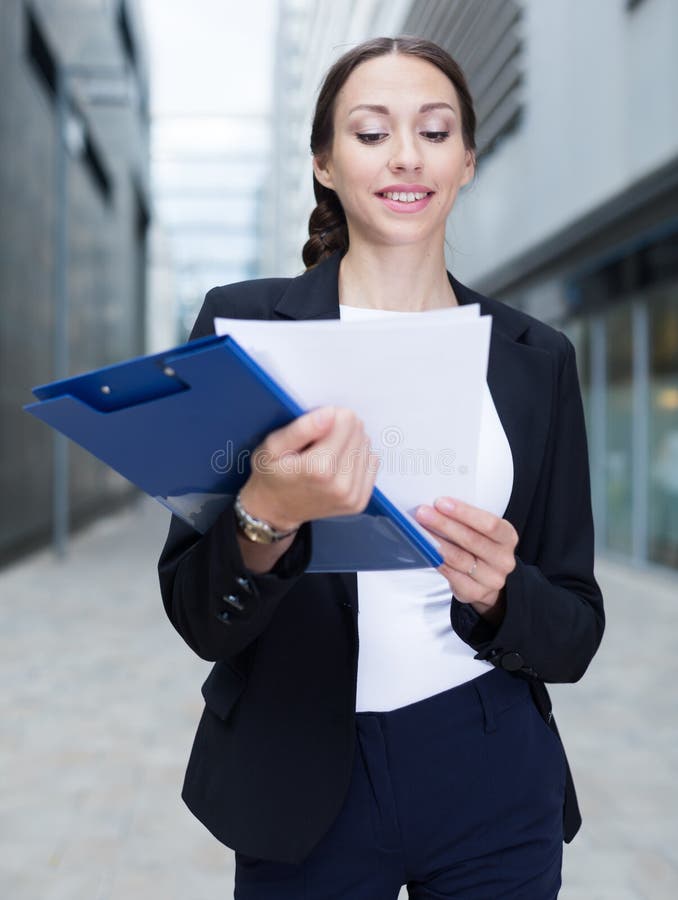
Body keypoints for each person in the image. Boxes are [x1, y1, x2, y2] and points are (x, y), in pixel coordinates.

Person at [158, 35, 605, 899]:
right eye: (371, 134)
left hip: (488, 765)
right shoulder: (245, 334)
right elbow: (197, 614)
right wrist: (266, 513)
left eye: (435, 132)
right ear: (324, 161)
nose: (406, 156)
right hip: (301, 773)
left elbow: (575, 631)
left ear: (468, 160)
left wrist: (502, 591)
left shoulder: (533, 356)